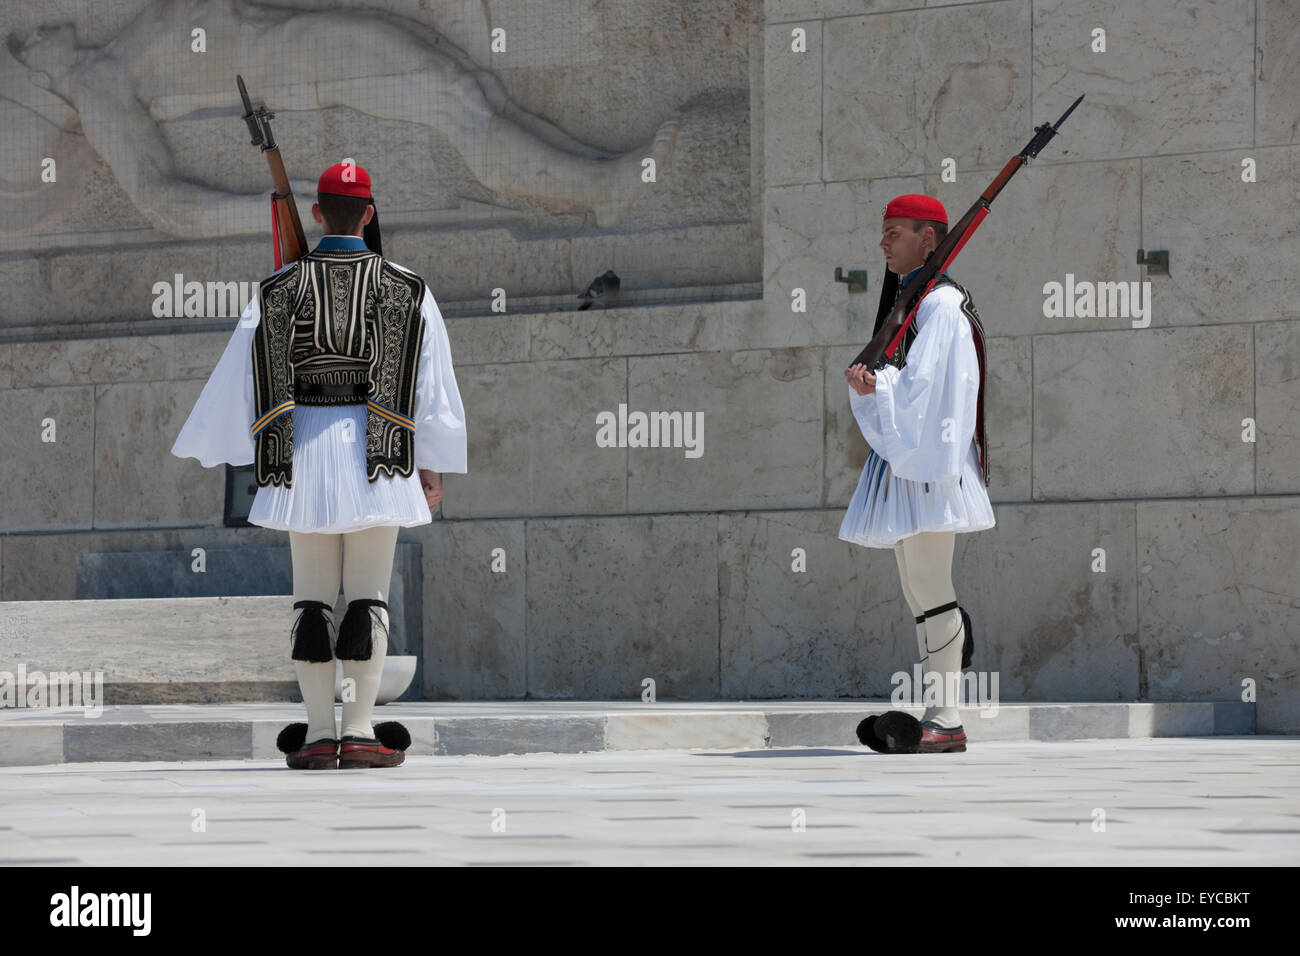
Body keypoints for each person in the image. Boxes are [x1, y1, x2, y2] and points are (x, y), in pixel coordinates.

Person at [171, 162, 467, 769]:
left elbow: (239, 382)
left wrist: (239, 448)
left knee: (310, 598)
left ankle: (313, 736)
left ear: (315, 214)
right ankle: (359, 732)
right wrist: (432, 465)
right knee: (367, 597)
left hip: (301, 454)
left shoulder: (278, 289)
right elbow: (432, 386)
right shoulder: (409, 288)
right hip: (380, 454)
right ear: (370, 212)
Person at [839, 194, 995, 754]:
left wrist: (877, 385)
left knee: (931, 585)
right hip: (914, 461)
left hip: (933, 459)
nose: (884, 242)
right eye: (883, 232)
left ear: (930, 239)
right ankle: (939, 708)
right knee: (916, 589)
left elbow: (931, 388)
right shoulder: (918, 301)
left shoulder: (942, 307)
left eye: (896, 232)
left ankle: (947, 716)